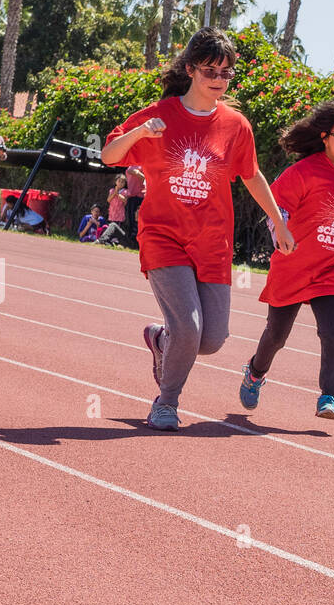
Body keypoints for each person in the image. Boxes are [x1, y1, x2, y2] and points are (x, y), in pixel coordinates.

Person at [101, 26, 295, 431]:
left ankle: (160, 341)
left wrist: (278, 221)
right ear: (190, 69)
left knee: (210, 341)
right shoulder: (161, 115)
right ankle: (166, 404)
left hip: (213, 243)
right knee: (188, 329)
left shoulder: (236, 125)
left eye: (226, 73)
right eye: (211, 71)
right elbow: (110, 154)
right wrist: (139, 132)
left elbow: (253, 176)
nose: (219, 80)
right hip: (163, 237)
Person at [238, 102, 334, 420]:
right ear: (325, 137)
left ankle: (330, 397)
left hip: (333, 270)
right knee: (277, 335)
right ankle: (255, 372)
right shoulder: (304, 171)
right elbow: (277, 207)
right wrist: (279, 230)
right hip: (294, 266)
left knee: (332, 332)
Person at [98, 174, 130, 244]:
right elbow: (108, 200)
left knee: (117, 226)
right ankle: (109, 238)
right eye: (119, 181)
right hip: (112, 212)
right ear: (116, 182)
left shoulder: (125, 191)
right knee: (110, 226)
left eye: (123, 182)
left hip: (119, 214)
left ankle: (115, 240)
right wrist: (114, 193)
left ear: (125, 183)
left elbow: (125, 200)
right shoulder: (112, 190)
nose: (121, 183)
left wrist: (118, 194)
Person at [124, 164, 145, 245]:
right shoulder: (131, 165)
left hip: (142, 196)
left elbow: (148, 178)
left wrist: (138, 173)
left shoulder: (144, 164)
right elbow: (130, 171)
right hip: (132, 196)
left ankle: (139, 240)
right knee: (131, 218)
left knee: (140, 220)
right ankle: (131, 240)